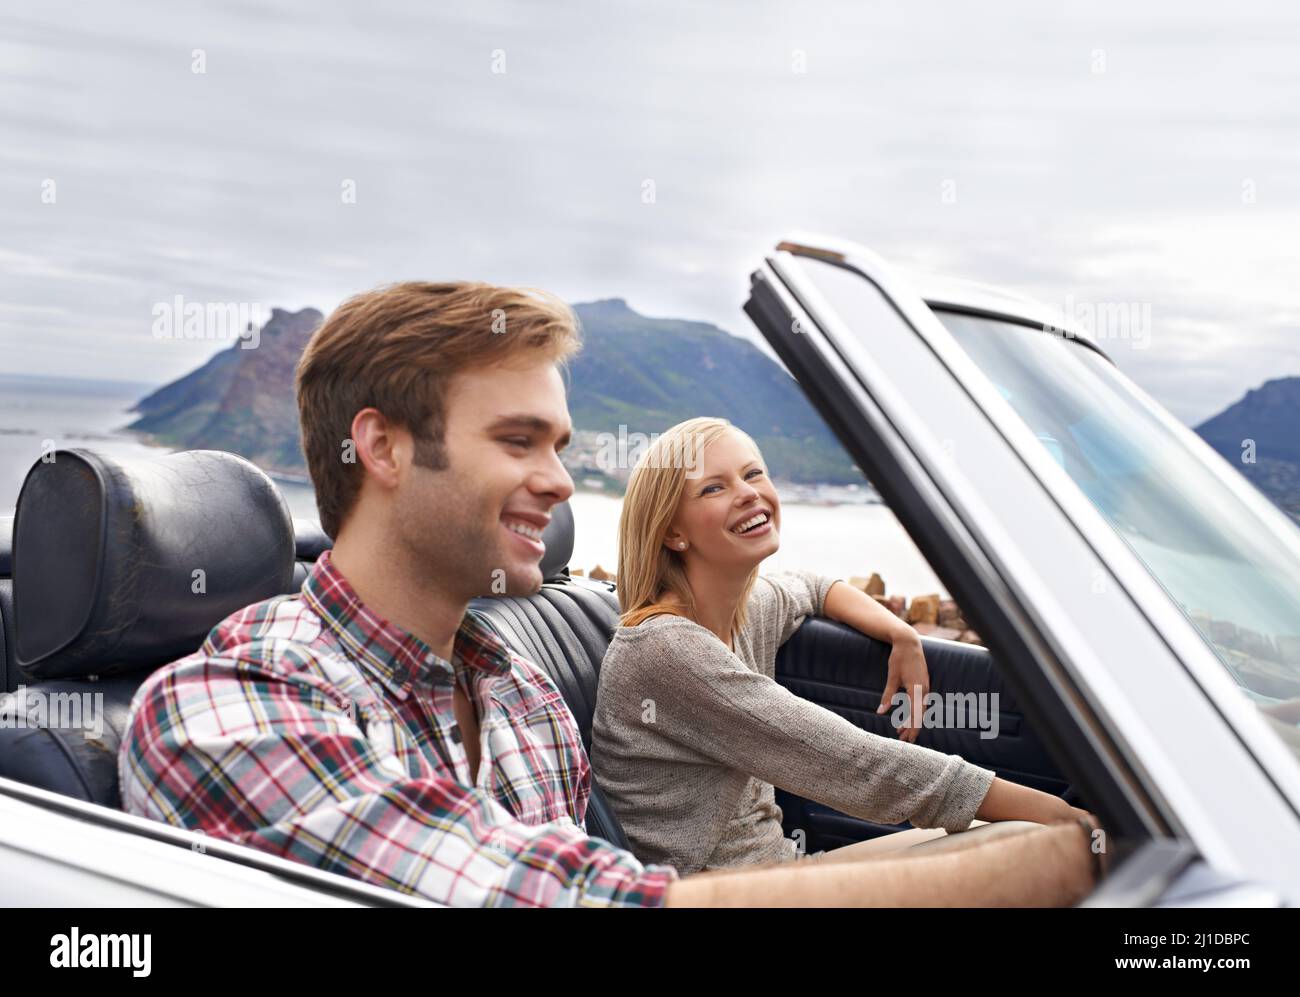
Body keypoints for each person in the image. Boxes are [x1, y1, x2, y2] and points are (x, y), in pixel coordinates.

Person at [119, 282, 1104, 907]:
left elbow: (641, 886)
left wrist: (1057, 844)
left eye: (559, 445)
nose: (559, 481)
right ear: (380, 448)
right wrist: (1042, 861)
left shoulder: (524, 701)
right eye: (518, 441)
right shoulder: (224, 709)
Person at [592, 416, 1100, 882]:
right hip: (715, 892)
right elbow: (851, 762)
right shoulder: (665, 651)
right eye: (714, 488)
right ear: (673, 532)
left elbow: (811, 587)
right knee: (1039, 843)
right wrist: (1064, 813)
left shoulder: (743, 610)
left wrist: (900, 633)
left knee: (1029, 843)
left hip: (781, 872)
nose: (748, 493)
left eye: (754, 474)